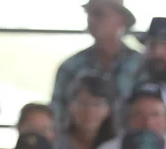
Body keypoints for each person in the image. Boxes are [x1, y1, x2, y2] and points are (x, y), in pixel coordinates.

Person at [50, 0, 142, 129]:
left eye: (99, 14)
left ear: (120, 20)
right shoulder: (70, 67)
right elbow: (57, 114)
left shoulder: (140, 65)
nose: (91, 20)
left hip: (130, 140)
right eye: (89, 14)